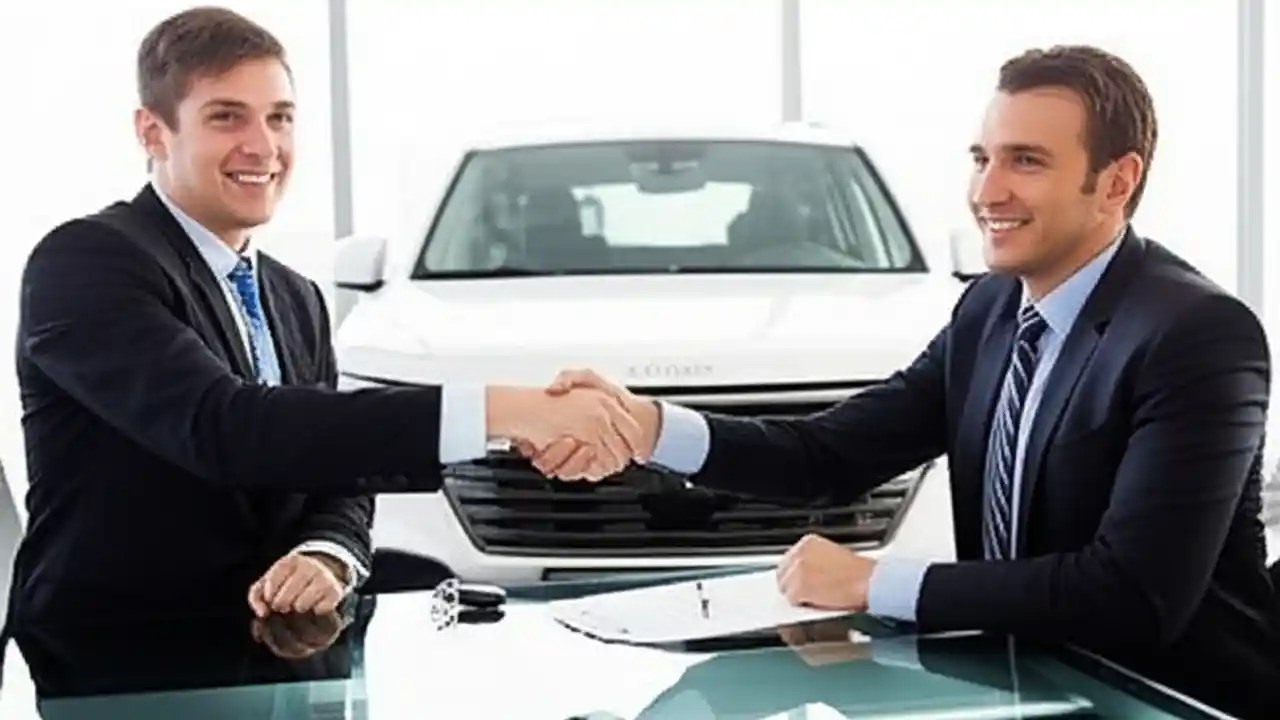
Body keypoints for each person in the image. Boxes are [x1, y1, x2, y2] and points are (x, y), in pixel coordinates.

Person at [529, 45, 1280, 716]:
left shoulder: (1196, 335)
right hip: (1023, 686)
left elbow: (1131, 597)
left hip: (1173, 698)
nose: (987, 192)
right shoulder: (987, 311)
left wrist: (875, 583)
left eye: (1026, 161)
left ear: (1116, 181)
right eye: (981, 157)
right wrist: (649, 425)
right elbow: (829, 456)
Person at [6, 7, 644, 627]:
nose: (264, 147)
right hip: (125, 662)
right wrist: (506, 410)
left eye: (280, 118)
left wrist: (329, 554)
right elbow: (226, 428)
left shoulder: (296, 297)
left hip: (284, 658)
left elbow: (337, 470)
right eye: (227, 118)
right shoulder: (85, 263)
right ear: (153, 132)